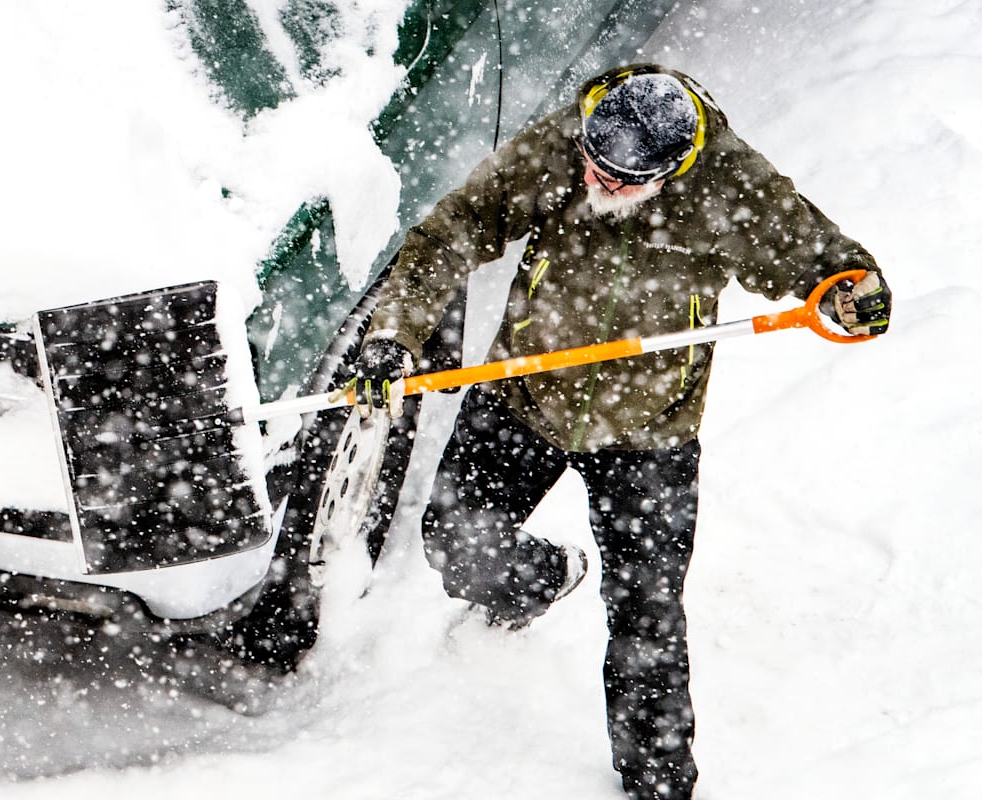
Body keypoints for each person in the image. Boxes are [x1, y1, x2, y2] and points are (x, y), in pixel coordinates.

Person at [351, 64, 890, 800]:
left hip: (651, 432)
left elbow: (824, 260)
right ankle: (540, 579)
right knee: (454, 541)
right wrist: (394, 333)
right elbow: (455, 227)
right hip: (526, 390)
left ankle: (657, 782)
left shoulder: (733, 185)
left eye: (621, 180)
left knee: (646, 617)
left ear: (673, 170)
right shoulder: (563, 145)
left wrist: (853, 290)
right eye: (593, 167)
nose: (598, 184)